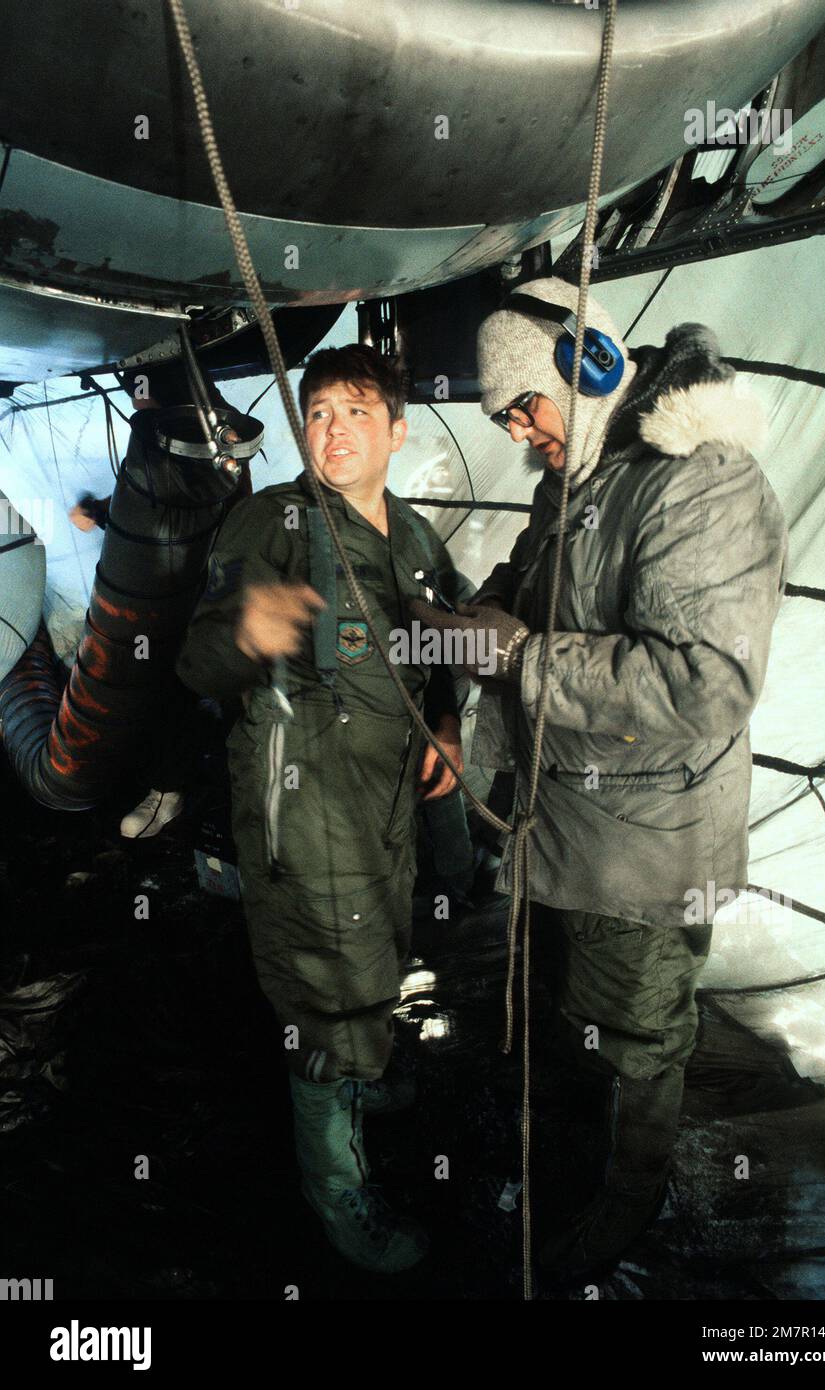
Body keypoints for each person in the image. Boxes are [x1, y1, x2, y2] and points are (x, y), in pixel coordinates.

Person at [411, 276, 789, 1285]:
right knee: (559, 1031)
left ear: (585, 365)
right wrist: (463, 642)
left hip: (642, 852)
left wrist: (516, 661)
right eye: (498, 418)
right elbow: (524, 586)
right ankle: (555, 1180)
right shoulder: (576, 476)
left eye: (521, 406)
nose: (515, 433)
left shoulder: (700, 480)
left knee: (628, 1048)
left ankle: (613, 1223)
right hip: (557, 829)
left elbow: (703, 683)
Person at [175, 344, 463, 1273]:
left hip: (384, 805)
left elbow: (439, 645)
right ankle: (337, 1195)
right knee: (320, 984)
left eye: (355, 411)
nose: (334, 431)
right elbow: (195, 662)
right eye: (319, 414)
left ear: (398, 427)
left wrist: (447, 728)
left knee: (376, 945)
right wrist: (244, 636)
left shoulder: (413, 540)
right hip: (302, 806)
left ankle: (360, 1067)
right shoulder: (272, 523)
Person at [69, 367, 253, 839]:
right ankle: (172, 788)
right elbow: (152, 492)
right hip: (182, 587)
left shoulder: (209, 438)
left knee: (233, 692)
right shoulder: (170, 433)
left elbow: (182, 492)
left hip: (222, 585)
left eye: (143, 400)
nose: (139, 409)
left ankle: (240, 797)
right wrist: (102, 511)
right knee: (173, 683)